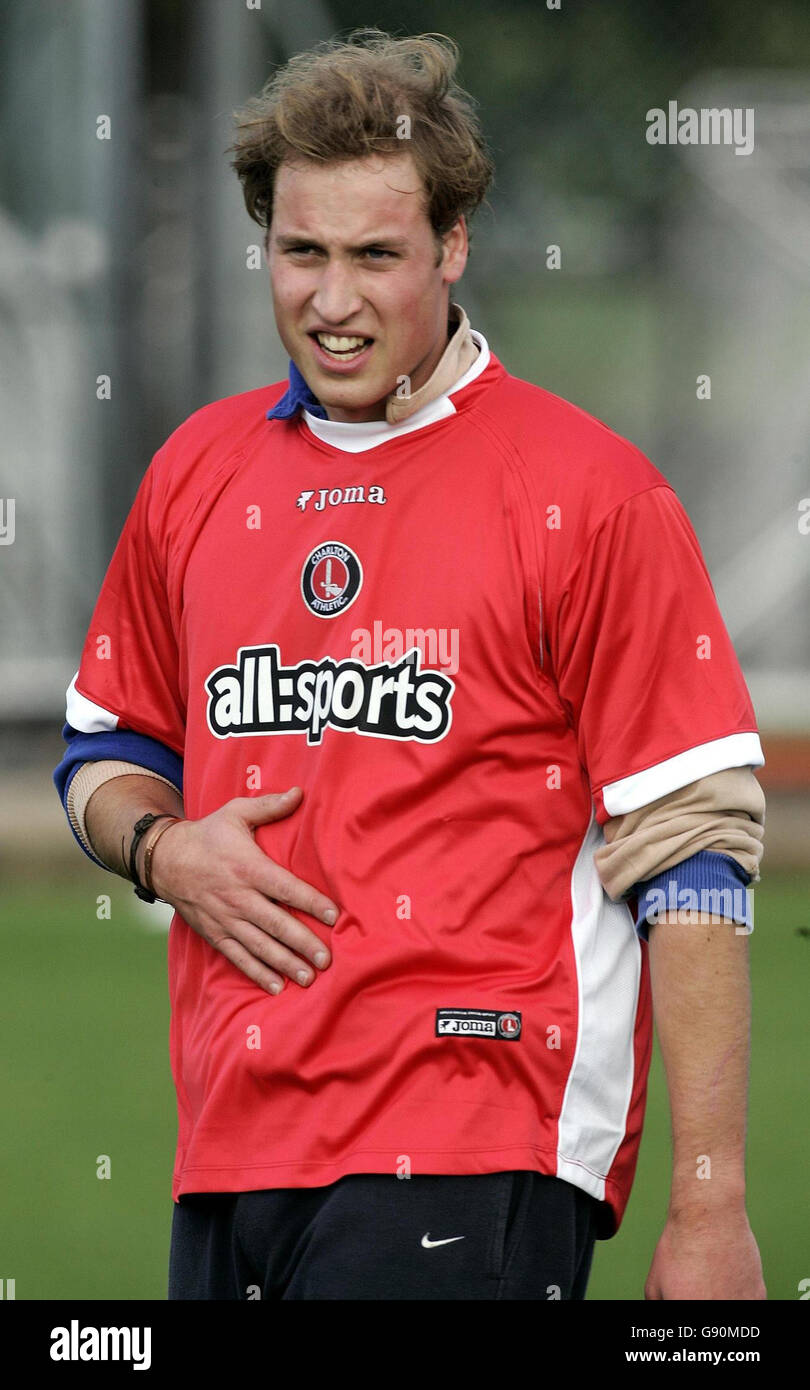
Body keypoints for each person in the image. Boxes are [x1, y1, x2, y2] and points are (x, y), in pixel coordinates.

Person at [54, 29, 767, 1301]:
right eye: (301, 252)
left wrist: (709, 1210)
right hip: (229, 1142)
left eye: (377, 256)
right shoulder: (196, 474)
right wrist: (164, 851)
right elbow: (106, 751)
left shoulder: (589, 493)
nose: (333, 301)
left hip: (472, 1134)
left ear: (452, 249)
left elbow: (693, 845)